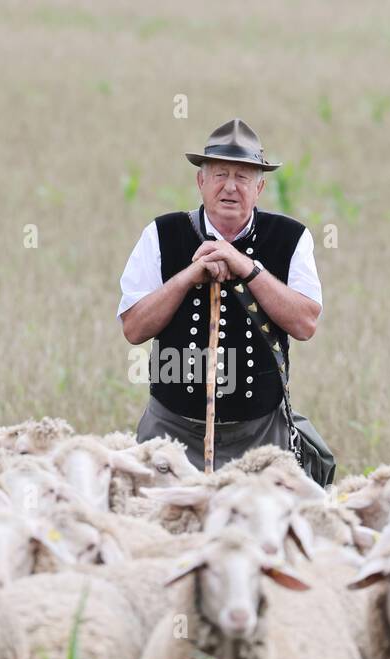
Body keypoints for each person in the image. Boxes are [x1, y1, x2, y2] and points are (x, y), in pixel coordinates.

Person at [116, 118, 323, 470]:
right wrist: (189, 277)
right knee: (149, 521)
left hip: (260, 436)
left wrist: (246, 268)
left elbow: (305, 324)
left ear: (259, 188)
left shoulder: (291, 238)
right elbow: (134, 329)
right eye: (219, 175)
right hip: (169, 433)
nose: (230, 187)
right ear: (201, 181)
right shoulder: (161, 234)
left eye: (242, 177)